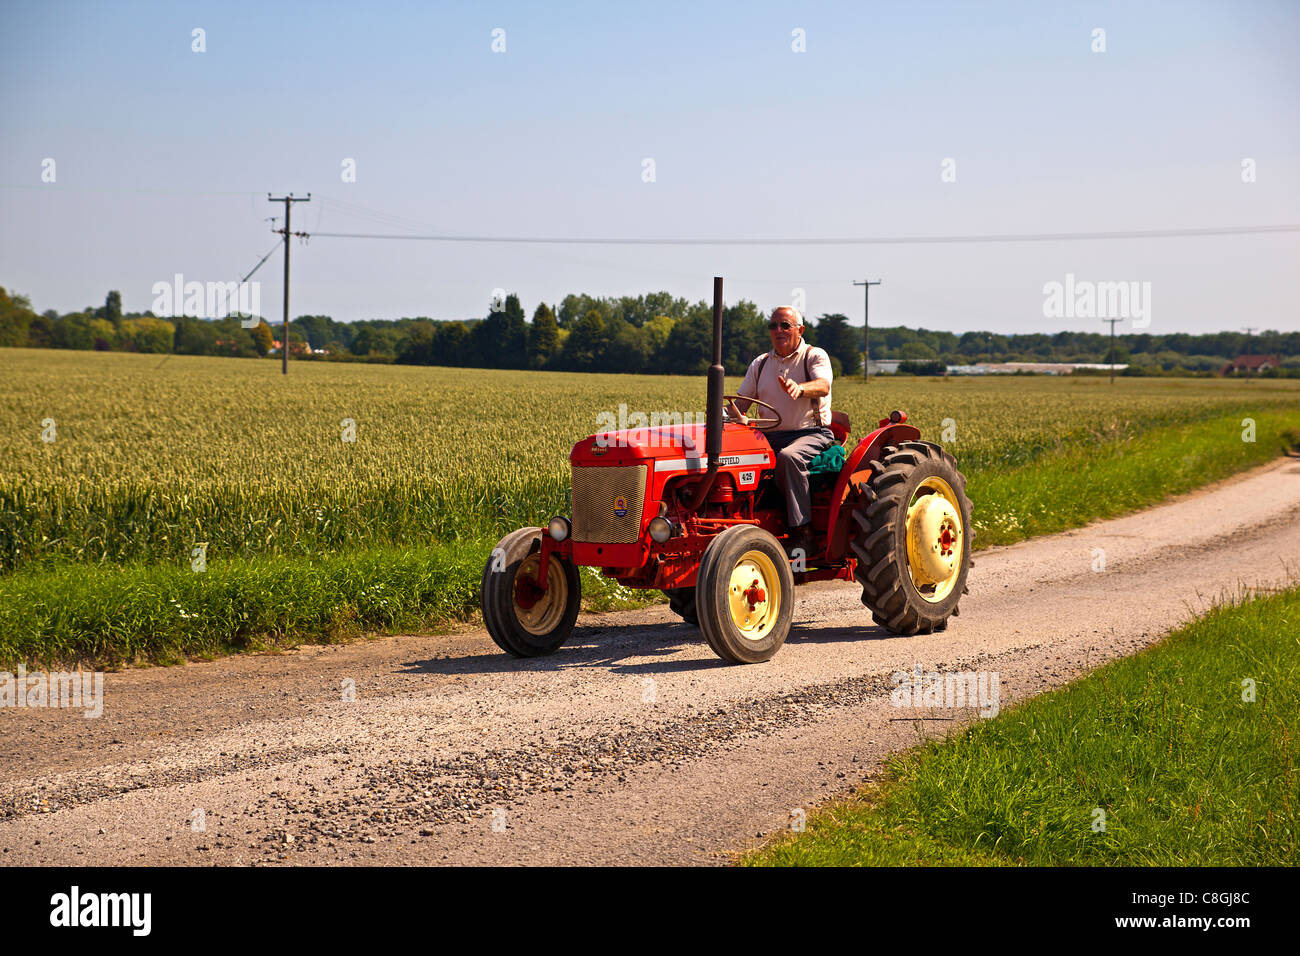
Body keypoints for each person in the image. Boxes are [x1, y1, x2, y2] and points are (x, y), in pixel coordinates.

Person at [730, 306, 834, 555]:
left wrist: (800, 389)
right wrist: (725, 415)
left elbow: (823, 385)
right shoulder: (761, 363)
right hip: (768, 436)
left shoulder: (814, 356)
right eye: (773, 326)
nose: (778, 330)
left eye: (785, 325)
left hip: (810, 433)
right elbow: (741, 403)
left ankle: (802, 533)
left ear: (800, 329)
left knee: (789, 457)